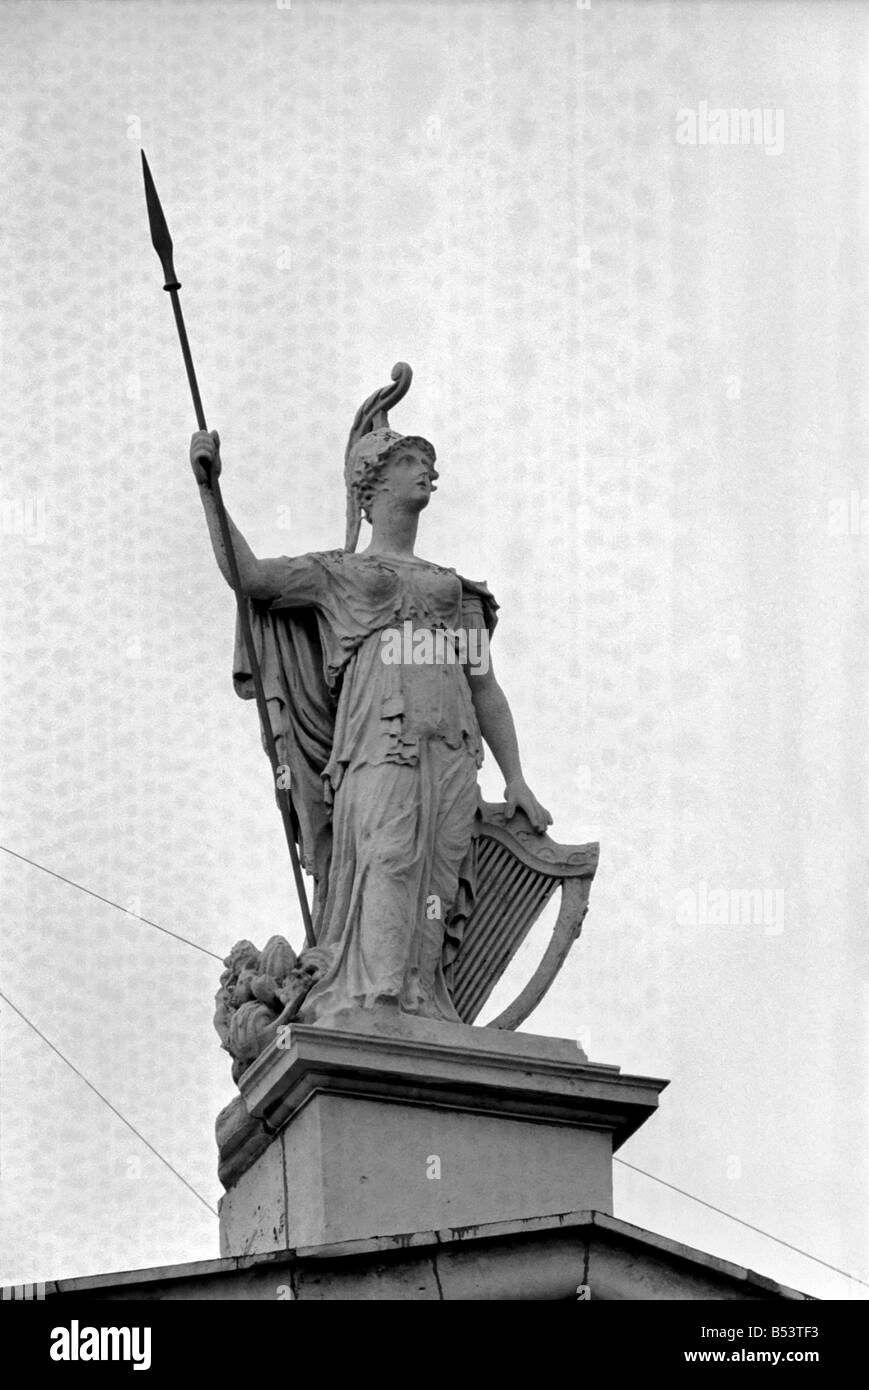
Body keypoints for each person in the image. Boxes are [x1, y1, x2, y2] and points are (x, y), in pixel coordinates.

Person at [190, 420, 551, 1026]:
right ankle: (375, 1000)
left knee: (437, 870)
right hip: (379, 740)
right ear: (374, 482)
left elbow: (483, 682)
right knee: (388, 855)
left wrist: (516, 778)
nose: (427, 471)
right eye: (413, 461)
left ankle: (425, 1006)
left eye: (428, 462)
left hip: (453, 745)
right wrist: (211, 491)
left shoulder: (449, 587)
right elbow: (249, 578)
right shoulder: (339, 573)